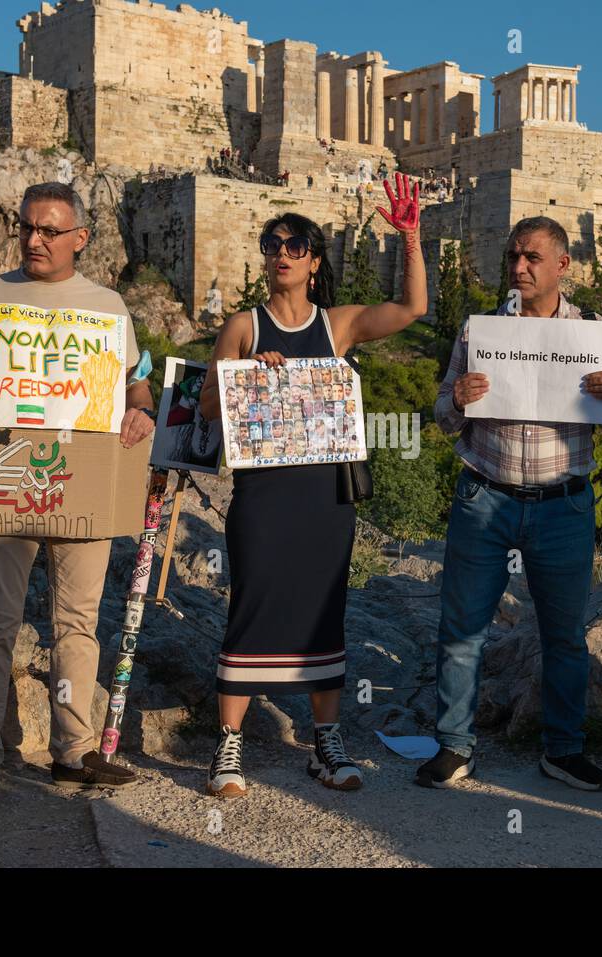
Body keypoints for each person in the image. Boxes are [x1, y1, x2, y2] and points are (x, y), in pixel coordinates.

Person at [0, 182, 156, 816]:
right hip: (1, 478)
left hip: (84, 479)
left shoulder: (107, 308)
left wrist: (141, 417)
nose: (35, 239)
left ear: (81, 238)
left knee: (78, 623)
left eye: (51, 230)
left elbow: (136, 389)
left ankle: (73, 751)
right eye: (26, 226)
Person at [197, 173, 426, 797]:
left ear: (314, 261)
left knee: (326, 611)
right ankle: (229, 749)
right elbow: (208, 410)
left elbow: (413, 310)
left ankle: (326, 744)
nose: (280, 254)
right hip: (263, 496)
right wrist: (244, 370)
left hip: (326, 496)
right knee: (251, 605)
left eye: (294, 244)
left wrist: (409, 237)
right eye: (272, 243)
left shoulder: (339, 325)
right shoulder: (243, 327)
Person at [417, 216, 602, 790]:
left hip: (563, 503)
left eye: (531, 258)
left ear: (562, 266)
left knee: (564, 634)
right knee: (462, 629)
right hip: (484, 496)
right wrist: (459, 401)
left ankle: (563, 751)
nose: (518, 267)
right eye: (513, 256)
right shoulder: (481, 331)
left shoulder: (592, 334)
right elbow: (441, 417)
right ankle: (454, 747)